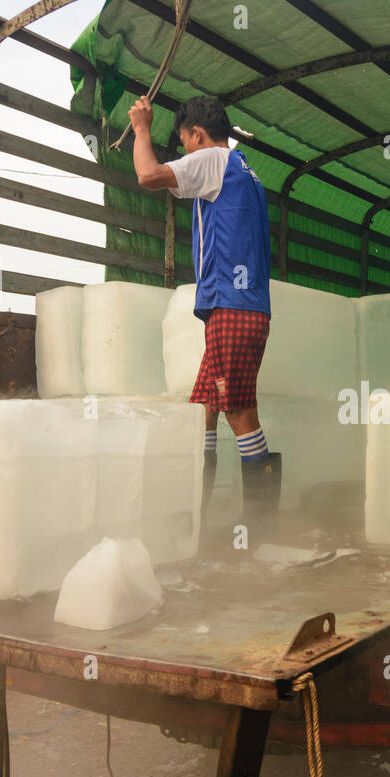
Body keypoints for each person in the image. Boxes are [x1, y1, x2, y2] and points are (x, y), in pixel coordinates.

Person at [128, 94, 279, 536]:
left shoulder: (213, 157)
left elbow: (148, 175)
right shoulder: (244, 171)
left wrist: (141, 128)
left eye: (184, 144)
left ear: (197, 134)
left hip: (232, 309)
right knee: (205, 409)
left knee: (239, 412)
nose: (186, 155)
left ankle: (260, 525)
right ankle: (200, 518)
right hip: (243, 310)